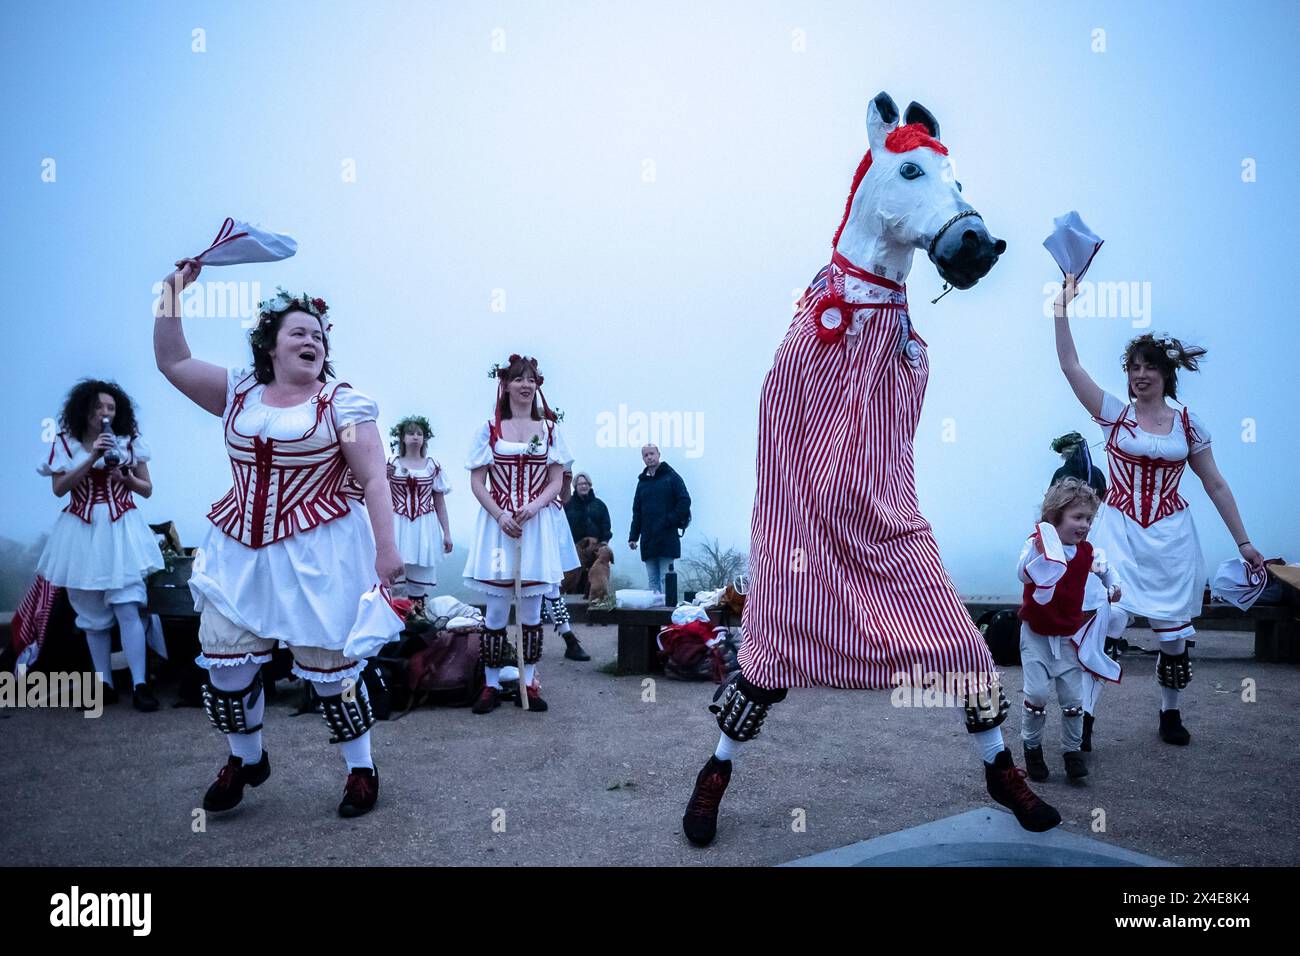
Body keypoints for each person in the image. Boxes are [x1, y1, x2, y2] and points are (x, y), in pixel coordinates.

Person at [154, 260, 403, 818]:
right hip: (238, 546)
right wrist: (172, 294)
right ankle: (246, 759)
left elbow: (373, 479)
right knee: (229, 663)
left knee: (331, 668)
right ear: (270, 345)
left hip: (320, 550)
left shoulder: (343, 403)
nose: (310, 340)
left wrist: (387, 552)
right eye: (298, 332)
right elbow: (172, 360)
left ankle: (360, 770)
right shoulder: (239, 391)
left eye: (317, 334)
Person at [1052, 273, 1264, 746]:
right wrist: (1060, 309)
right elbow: (1070, 367)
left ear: (1166, 374)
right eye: (1133, 367)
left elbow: (1214, 482)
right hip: (1119, 531)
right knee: (1106, 621)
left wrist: (1244, 543)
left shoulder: (1189, 424)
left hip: (1171, 535)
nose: (1140, 374)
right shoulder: (1113, 413)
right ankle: (1084, 721)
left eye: (1149, 367)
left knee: (1173, 635)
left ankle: (1170, 714)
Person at [36, 379, 165, 710]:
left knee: (127, 605)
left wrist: (127, 478)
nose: (105, 412)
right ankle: (103, 683)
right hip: (81, 529)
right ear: (84, 411)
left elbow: (147, 489)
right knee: (91, 612)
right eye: (98, 407)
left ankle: (139, 684)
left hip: (121, 529)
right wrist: (92, 454)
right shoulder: (66, 444)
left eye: (110, 407)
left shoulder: (129, 441)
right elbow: (60, 489)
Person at [463, 354, 574, 713]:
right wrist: (500, 514)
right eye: (518, 379)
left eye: (531, 380)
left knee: (531, 611)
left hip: (535, 523)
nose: (526, 385)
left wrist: (535, 506)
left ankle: (529, 682)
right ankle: (491, 685)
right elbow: (477, 482)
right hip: (498, 526)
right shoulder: (489, 429)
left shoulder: (551, 429)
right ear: (505, 385)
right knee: (495, 613)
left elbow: (557, 478)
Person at [1016, 479, 1121, 781]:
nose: (1085, 524)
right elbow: (1022, 573)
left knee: (1073, 700)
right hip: (1035, 635)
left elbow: (1106, 569)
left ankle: (1072, 751)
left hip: (1067, 638)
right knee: (1036, 694)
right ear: (1054, 517)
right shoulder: (1035, 543)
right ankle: (1032, 748)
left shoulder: (1087, 552)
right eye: (1077, 517)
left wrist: (1114, 586)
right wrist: (1039, 553)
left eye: (1089, 518)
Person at [388, 415, 452, 613]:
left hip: (424, 525)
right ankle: (395, 627)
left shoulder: (433, 466)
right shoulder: (391, 464)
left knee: (417, 583)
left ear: (425, 438)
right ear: (402, 438)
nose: (415, 437)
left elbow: (439, 501)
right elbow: (380, 496)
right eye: (410, 433)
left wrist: (447, 533)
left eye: (419, 433)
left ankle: (417, 627)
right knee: (395, 580)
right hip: (397, 522)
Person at [541, 469, 590, 661]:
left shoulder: (556, 449)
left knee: (551, 583)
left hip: (550, 517)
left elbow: (565, 494)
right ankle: (523, 642)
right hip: (520, 513)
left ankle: (569, 639)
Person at [628, 445, 691, 593]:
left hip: (667, 536)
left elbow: (685, 501)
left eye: (651, 453)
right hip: (648, 538)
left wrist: (669, 520)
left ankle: (666, 613)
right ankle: (653, 615)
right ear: (643, 458)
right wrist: (633, 537)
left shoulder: (672, 477)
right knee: (652, 582)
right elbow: (637, 511)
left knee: (665, 579)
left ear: (658, 454)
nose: (649, 457)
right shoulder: (642, 482)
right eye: (645, 455)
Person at [565, 472, 612, 545]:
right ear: (575, 487)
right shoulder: (568, 505)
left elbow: (606, 526)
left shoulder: (600, 505)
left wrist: (604, 543)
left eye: (586, 483)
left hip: (595, 547)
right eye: (580, 484)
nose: (584, 486)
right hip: (573, 547)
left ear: (590, 486)